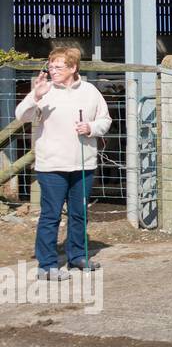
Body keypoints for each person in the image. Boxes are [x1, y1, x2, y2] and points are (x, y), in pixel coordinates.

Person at [15, 46, 112, 281]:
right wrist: (35, 95)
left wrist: (91, 128)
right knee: (51, 215)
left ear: (73, 68)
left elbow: (105, 119)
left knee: (79, 213)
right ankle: (46, 264)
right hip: (52, 165)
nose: (53, 70)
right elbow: (21, 115)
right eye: (51, 66)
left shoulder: (90, 91)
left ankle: (77, 255)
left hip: (83, 163)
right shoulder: (45, 91)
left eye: (58, 66)